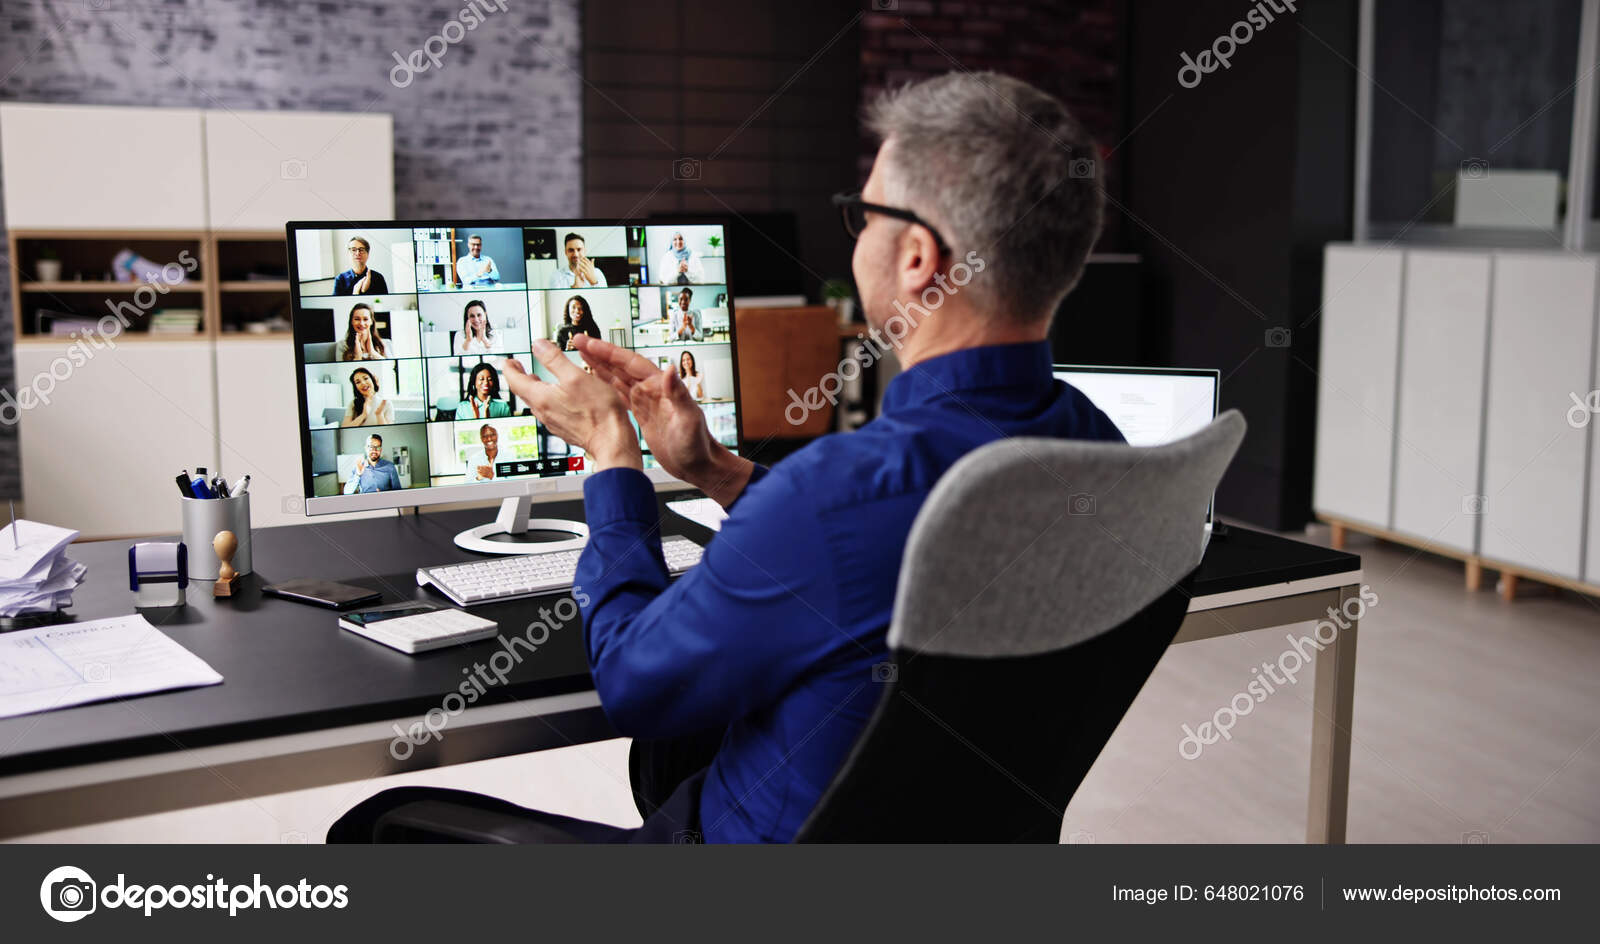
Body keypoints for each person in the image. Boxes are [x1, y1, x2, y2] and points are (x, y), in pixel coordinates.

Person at [331, 72, 1121, 844]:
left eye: (862, 212)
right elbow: (874, 561)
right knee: (676, 756)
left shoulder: (837, 493)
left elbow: (633, 685)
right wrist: (714, 469)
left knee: (376, 827)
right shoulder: (1099, 451)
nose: (856, 233)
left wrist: (614, 457)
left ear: (916, 256)